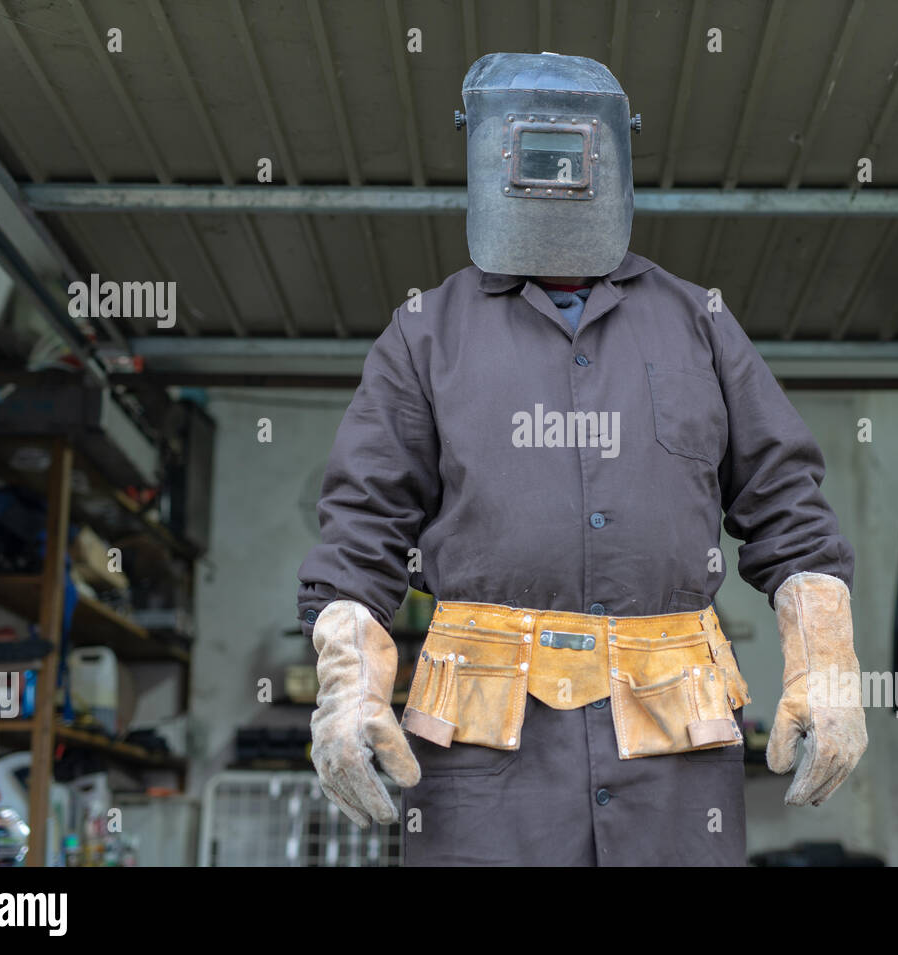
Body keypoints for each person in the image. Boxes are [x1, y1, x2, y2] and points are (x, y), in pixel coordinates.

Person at [297, 52, 866, 866]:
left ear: (615, 158)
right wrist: (350, 687)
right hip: (483, 753)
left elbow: (789, 510)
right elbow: (361, 532)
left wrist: (828, 668)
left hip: (673, 747)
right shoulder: (425, 333)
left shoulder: (697, 322)